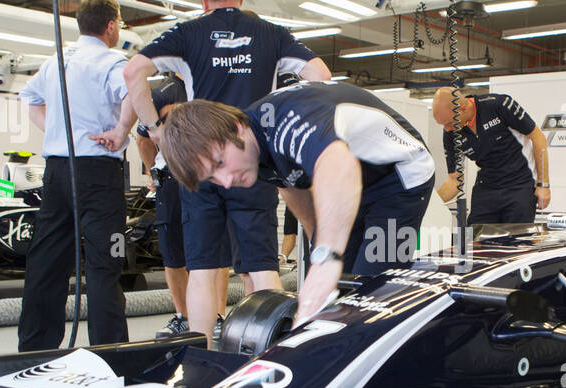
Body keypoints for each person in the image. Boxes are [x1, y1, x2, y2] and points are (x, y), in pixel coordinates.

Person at [110, 0, 330, 345]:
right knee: (261, 266)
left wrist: (156, 130)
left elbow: (133, 72)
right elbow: (321, 76)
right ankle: (270, 356)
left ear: (203, 0)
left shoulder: (188, 33)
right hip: (251, 162)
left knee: (203, 267)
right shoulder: (270, 34)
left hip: (200, 162)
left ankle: (200, 357)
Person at [156, 81, 435, 324]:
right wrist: (317, 243)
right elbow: (291, 187)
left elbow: (339, 166)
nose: (226, 182)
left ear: (237, 128)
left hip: (400, 177)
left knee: (370, 289)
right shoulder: (257, 149)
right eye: (213, 178)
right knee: (336, 288)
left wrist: (326, 258)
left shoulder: (286, 125)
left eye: (220, 162)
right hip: (355, 184)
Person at [16, 0, 130, 352]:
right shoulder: (113, 60)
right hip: (97, 171)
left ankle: (34, 350)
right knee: (104, 265)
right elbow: (133, 94)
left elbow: (30, 98)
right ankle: (109, 353)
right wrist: (121, 131)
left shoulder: (56, 61)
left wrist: (57, 131)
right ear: (111, 26)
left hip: (57, 172)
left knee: (46, 262)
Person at [432, 86, 551, 224]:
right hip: (486, 188)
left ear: (462, 108)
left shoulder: (498, 105)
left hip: (519, 184)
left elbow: (538, 138)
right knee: (473, 240)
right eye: (443, 125)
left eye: (450, 123)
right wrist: (431, 204)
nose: (447, 129)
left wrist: (543, 184)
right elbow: (454, 181)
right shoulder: (451, 134)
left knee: (517, 241)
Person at [135, 66, 193, 338]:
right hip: (171, 178)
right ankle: (183, 315)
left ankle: (215, 315)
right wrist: (152, 172)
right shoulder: (163, 94)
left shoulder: (208, 84)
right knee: (173, 253)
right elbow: (142, 140)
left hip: (206, 176)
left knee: (211, 253)